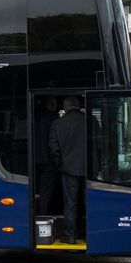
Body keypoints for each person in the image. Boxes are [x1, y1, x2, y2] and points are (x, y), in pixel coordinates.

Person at [49, 96, 86, 245]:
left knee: (70, 204)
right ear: (78, 105)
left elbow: (54, 149)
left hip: (68, 170)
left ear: (65, 107)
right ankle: (90, 233)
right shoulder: (90, 121)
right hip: (89, 171)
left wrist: (61, 165)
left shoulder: (58, 124)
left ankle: (70, 236)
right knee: (89, 202)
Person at [33, 96, 60, 216]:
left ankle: (33, 212)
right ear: (52, 104)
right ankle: (42, 214)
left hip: (32, 159)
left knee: (33, 188)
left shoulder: (33, 115)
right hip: (48, 159)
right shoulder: (53, 118)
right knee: (46, 190)